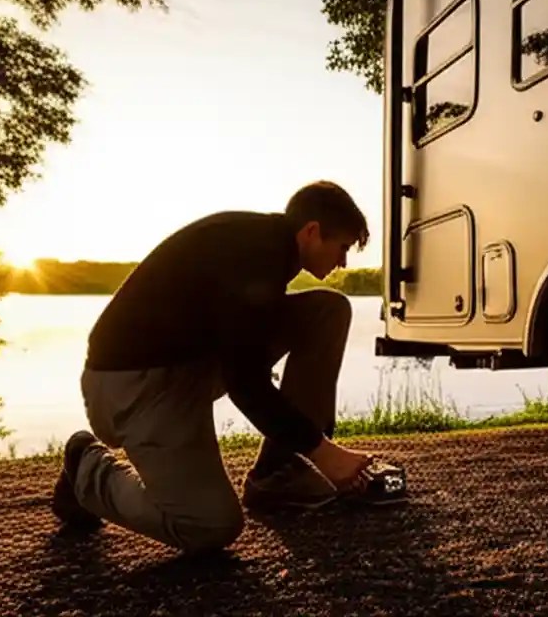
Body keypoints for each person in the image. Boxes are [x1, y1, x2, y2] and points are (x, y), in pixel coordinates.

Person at [49, 180, 406, 553]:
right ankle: (85, 468)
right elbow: (246, 383)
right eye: (343, 248)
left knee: (327, 312)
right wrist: (324, 454)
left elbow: (242, 356)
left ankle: (278, 474)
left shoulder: (266, 248)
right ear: (312, 231)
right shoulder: (253, 254)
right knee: (208, 526)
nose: (343, 262)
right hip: (134, 388)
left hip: (182, 369)